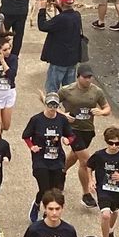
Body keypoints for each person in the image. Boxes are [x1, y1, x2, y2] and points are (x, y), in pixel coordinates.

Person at [58, 64, 110, 209]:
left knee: (75, 155)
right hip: (71, 130)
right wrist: (64, 115)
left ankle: (61, 172)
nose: (88, 80)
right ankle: (86, 194)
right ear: (78, 76)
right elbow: (52, 104)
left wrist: (102, 112)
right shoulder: (67, 90)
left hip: (87, 130)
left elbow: (107, 108)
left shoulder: (96, 91)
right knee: (85, 160)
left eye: (90, 77)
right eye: (85, 77)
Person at [22, 92, 76, 222]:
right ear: (45, 105)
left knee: (54, 189)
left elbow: (71, 135)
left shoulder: (62, 120)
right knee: (45, 188)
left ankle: (43, 206)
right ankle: (40, 208)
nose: (52, 108)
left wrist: (68, 140)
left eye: (55, 105)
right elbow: (26, 136)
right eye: (50, 105)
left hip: (57, 159)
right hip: (40, 159)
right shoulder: (36, 119)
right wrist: (32, 146)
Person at [37, 0, 84, 93]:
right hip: (72, 59)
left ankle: (52, 108)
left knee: (52, 89)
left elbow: (43, 26)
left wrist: (42, 9)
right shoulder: (77, 15)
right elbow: (65, 16)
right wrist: (59, 7)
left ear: (61, 2)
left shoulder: (60, 19)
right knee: (70, 89)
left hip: (59, 59)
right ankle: (69, 108)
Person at [87, 126, 119, 237]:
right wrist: (90, 180)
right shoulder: (99, 155)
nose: (114, 146)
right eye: (111, 143)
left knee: (115, 212)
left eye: (117, 143)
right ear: (106, 142)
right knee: (106, 215)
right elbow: (89, 166)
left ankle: (110, 232)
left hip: (117, 191)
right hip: (103, 190)